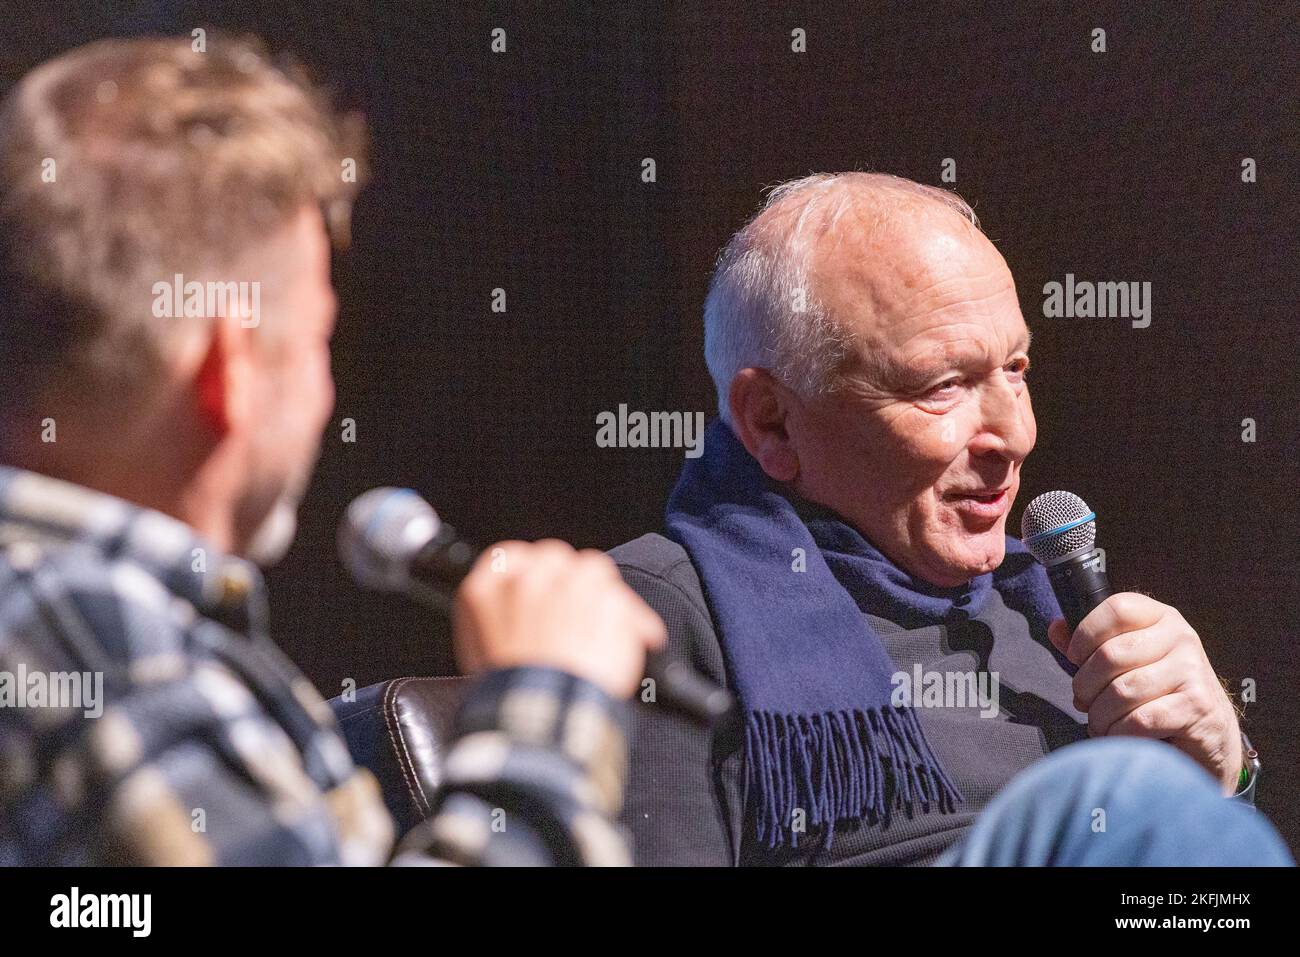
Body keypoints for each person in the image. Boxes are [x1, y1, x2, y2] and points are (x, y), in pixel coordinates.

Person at [0, 35, 663, 866]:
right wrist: (548, 708)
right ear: (229, 374)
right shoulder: (88, 629)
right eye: (317, 342)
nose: (327, 393)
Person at [611, 172, 1292, 866]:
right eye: (944, 384)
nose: (1016, 433)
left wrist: (1219, 774)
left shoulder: (1051, 613)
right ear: (773, 421)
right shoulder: (657, 615)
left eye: (1016, 368)